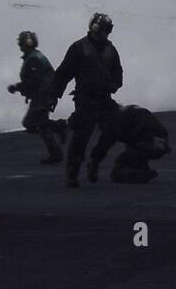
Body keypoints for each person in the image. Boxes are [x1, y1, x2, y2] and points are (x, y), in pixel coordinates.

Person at [44, 13, 124, 189]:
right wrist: (53, 96)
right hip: (85, 100)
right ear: (96, 28)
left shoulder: (111, 50)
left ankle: (94, 161)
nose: (106, 34)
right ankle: (72, 172)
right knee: (81, 136)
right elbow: (63, 74)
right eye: (104, 30)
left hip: (104, 99)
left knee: (115, 128)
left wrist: (113, 85)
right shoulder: (79, 48)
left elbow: (118, 74)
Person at [7, 31, 67, 164]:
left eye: (21, 43)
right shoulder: (34, 56)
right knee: (30, 123)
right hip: (43, 94)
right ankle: (59, 126)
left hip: (43, 95)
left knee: (39, 124)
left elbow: (33, 82)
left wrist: (16, 87)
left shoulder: (33, 59)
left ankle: (56, 152)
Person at [106, 104, 171, 184]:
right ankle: (141, 169)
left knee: (121, 164)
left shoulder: (121, 118)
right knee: (132, 152)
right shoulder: (133, 111)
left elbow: (135, 133)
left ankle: (137, 172)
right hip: (158, 143)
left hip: (151, 143)